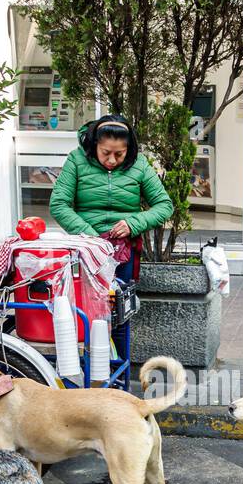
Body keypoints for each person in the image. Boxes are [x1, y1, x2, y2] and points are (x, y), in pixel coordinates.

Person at [49, 114, 174, 353]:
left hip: (122, 253)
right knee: (85, 310)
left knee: (119, 310)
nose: (112, 160)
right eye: (106, 152)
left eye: (120, 153)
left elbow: (164, 205)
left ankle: (117, 375)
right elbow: (59, 205)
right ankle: (86, 370)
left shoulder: (139, 165)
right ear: (94, 144)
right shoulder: (77, 160)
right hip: (85, 251)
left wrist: (133, 223)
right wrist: (90, 237)